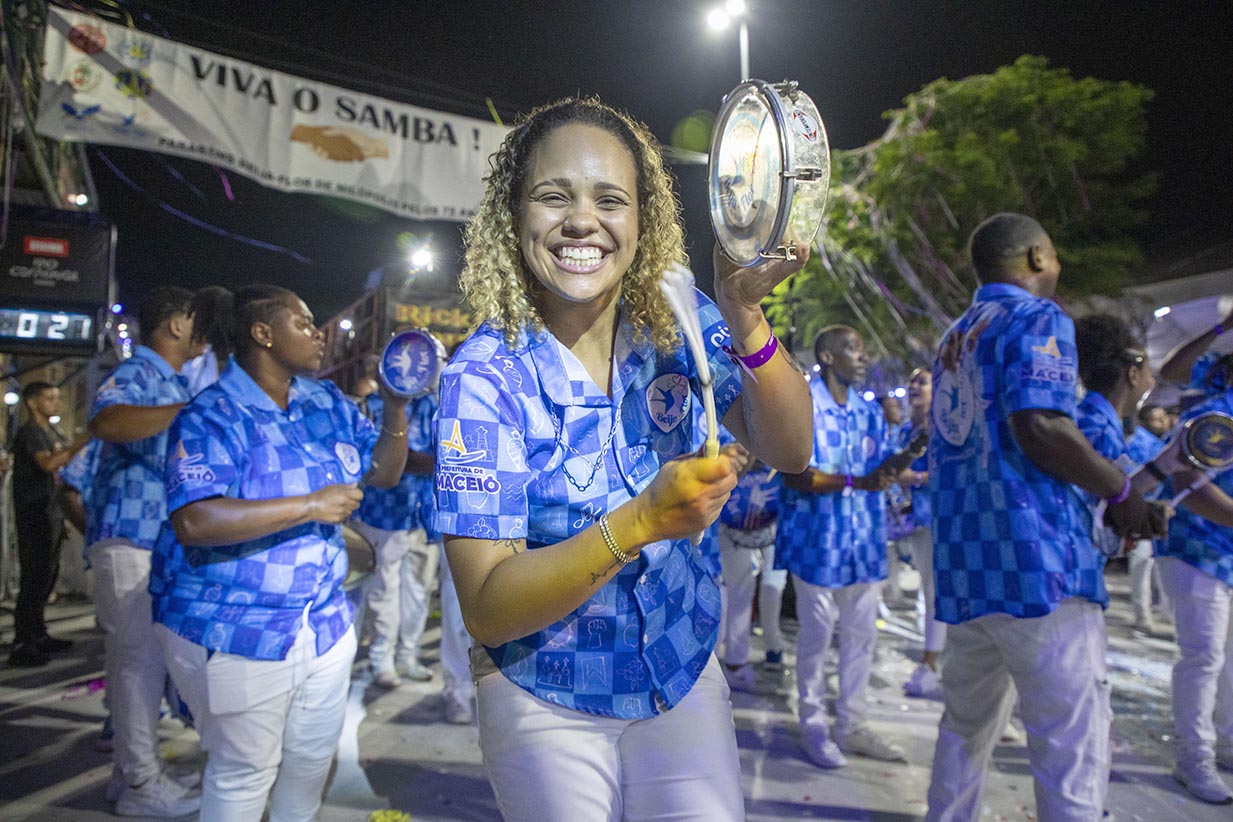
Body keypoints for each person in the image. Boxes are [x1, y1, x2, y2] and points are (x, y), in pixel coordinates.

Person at [434, 97, 811, 821]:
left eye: (610, 200)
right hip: (545, 692)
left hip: (679, 663)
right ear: (513, 217)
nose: (583, 221)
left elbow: (791, 449)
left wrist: (744, 315)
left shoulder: (681, 323)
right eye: (554, 196)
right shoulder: (484, 378)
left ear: (644, 220)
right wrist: (640, 522)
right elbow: (486, 607)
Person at [923, 213, 1170, 822]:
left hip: (970, 565)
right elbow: (1041, 424)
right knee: (1070, 746)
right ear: (1036, 257)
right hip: (1039, 565)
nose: (1057, 266)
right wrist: (1122, 493)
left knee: (965, 729)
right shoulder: (1035, 316)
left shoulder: (956, 334)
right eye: (1054, 255)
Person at [151, 284, 413, 821]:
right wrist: (310, 505)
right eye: (304, 322)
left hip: (324, 624)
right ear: (262, 333)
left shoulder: (324, 402)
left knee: (310, 764)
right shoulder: (212, 414)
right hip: (238, 626)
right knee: (244, 772)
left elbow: (382, 471)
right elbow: (195, 520)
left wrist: (396, 404)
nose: (318, 334)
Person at [87, 286, 203, 816]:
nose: (203, 333)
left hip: (151, 539)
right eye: (197, 321)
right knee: (139, 663)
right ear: (176, 324)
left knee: (139, 662)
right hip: (130, 534)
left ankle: (128, 776)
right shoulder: (140, 372)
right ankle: (141, 786)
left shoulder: (172, 379)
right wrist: (189, 411)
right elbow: (107, 421)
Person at [776, 326, 908, 769]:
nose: (863, 357)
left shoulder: (869, 412)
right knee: (816, 636)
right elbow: (796, 474)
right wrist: (857, 481)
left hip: (864, 542)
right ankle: (813, 722)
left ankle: (853, 723)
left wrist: (911, 452)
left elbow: (880, 470)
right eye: (854, 349)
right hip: (818, 543)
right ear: (828, 357)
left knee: (861, 637)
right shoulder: (803, 404)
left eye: (864, 349)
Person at [1155, 389, 1233, 802]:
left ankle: (1227, 743)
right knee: (1203, 656)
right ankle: (1193, 756)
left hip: (1227, 553)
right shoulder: (1215, 413)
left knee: (1229, 659)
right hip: (1196, 548)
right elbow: (1189, 484)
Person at [352, 373, 439, 689]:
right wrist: (438, 462)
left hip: (422, 515)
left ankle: (407, 656)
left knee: (418, 592)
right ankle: (382, 660)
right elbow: (393, 461)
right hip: (382, 514)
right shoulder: (374, 406)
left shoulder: (430, 405)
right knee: (383, 592)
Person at [7, 382, 87, 667]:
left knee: (47, 576)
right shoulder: (30, 433)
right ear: (32, 402)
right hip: (34, 514)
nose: (56, 403)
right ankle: (22, 642)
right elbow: (48, 464)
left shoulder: (48, 432)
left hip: (49, 513)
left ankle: (38, 634)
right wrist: (80, 443)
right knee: (34, 577)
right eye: (49, 398)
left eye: (57, 397)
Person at [716, 433, 785, 691]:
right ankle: (729, 664)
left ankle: (767, 647)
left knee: (768, 588)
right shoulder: (719, 426)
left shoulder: (776, 427)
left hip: (771, 527)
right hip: (729, 528)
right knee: (733, 593)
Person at [897, 369, 943, 698]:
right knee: (926, 590)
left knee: (934, 591)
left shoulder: (942, 428)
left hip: (935, 518)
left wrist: (914, 478)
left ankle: (931, 663)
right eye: (912, 381)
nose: (914, 386)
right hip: (910, 520)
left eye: (922, 382)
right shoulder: (904, 431)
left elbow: (948, 470)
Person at [1127, 405, 1171, 635]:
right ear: (1144, 422)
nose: (1163, 423)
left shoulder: (1162, 442)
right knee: (1142, 562)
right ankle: (1142, 614)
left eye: (1164, 418)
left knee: (1156, 563)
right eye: (1157, 419)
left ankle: (1160, 611)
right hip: (1142, 507)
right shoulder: (1138, 443)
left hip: (1159, 508)